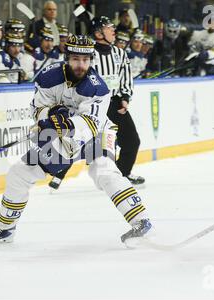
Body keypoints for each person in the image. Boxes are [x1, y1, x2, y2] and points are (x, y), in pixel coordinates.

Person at [0, 34, 151, 245]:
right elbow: (37, 108)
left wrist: (63, 124)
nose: (81, 64)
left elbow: (90, 125)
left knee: (104, 170)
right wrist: (49, 116)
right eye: (76, 59)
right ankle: (5, 228)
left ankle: (141, 221)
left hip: (98, 133)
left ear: (91, 60)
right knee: (19, 173)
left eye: (85, 60)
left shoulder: (98, 88)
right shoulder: (49, 77)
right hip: (63, 135)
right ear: (67, 58)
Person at [48, 16, 145, 190]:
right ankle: (59, 171)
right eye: (109, 27)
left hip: (115, 104)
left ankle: (121, 174)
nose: (113, 30)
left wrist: (125, 97)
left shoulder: (120, 54)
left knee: (132, 141)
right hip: (92, 103)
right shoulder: (88, 53)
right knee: (80, 137)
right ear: (99, 32)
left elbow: (125, 77)